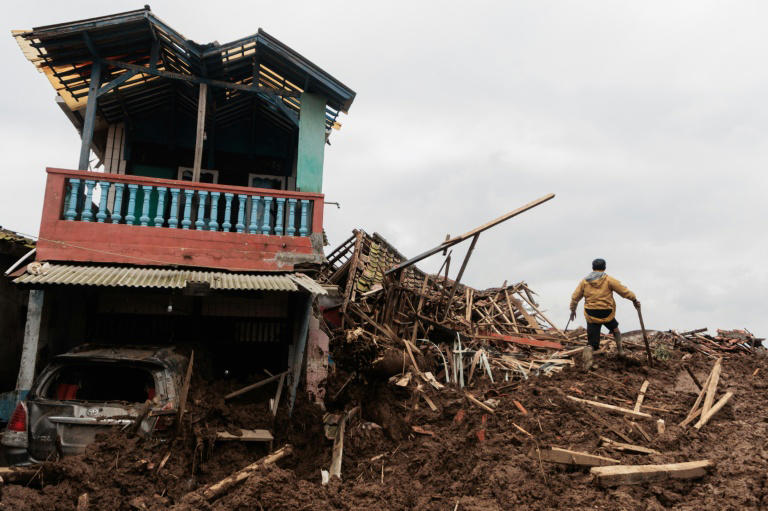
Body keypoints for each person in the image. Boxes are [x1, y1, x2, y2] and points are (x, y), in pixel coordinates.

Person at [569, 258, 640, 369]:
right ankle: (620, 351)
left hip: (591, 313)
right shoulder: (609, 280)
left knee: (592, 343)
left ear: (592, 268)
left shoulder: (584, 282)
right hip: (606, 313)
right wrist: (634, 299)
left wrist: (573, 310)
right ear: (604, 267)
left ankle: (589, 354)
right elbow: (623, 291)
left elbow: (575, 297)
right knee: (615, 328)